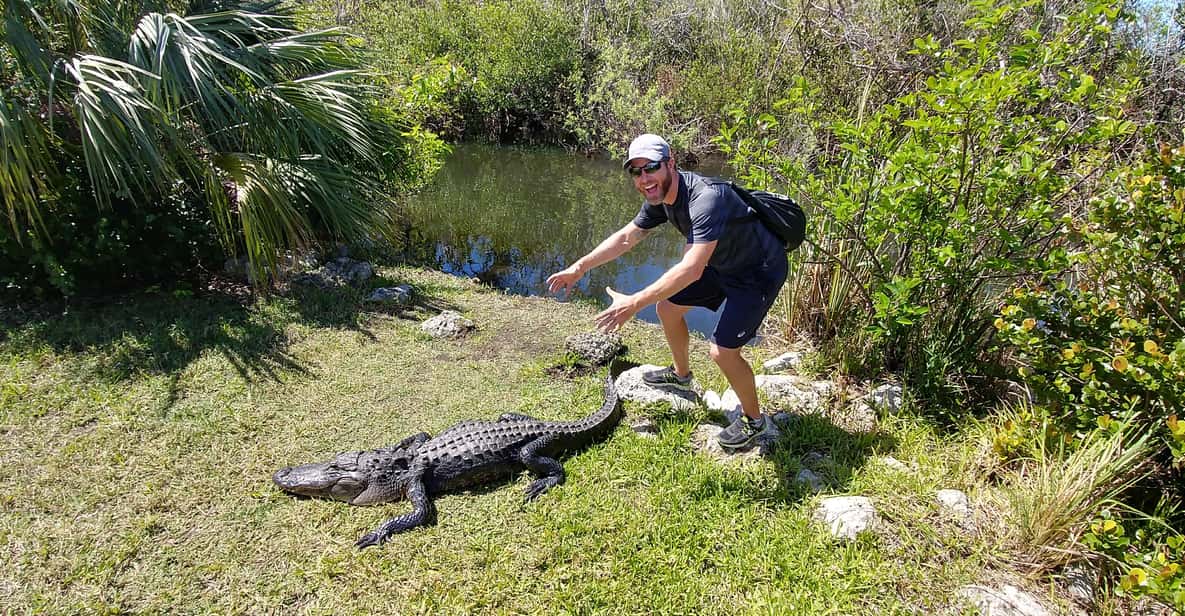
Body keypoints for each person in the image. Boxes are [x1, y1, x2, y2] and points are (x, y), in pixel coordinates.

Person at [546, 134, 788, 450]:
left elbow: (691, 269)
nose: (645, 178)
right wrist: (578, 268)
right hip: (722, 263)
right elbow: (626, 238)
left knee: (723, 351)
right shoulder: (661, 198)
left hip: (758, 272)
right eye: (636, 171)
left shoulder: (705, 198)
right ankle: (681, 375)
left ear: (670, 163)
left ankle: (756, 423)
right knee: (668, 308)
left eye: (652, 168)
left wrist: (634, 302)